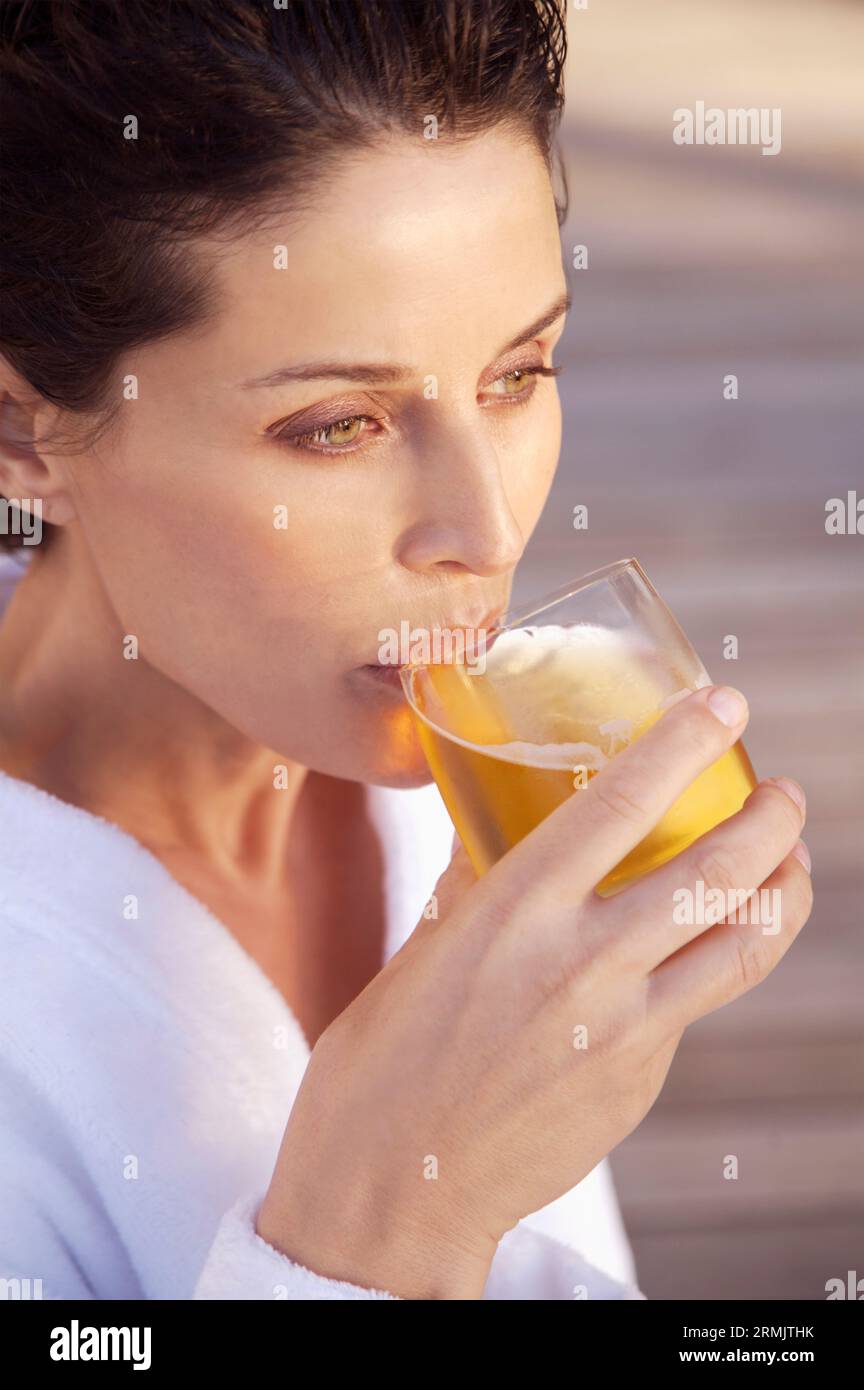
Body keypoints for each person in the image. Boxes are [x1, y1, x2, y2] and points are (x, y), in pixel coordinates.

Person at [0, 0, 812, 1301]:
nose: (484, 531)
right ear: (24, 435)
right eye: (339, 426)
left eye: (517, 373)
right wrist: (377, 1242)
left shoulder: (484, 776)